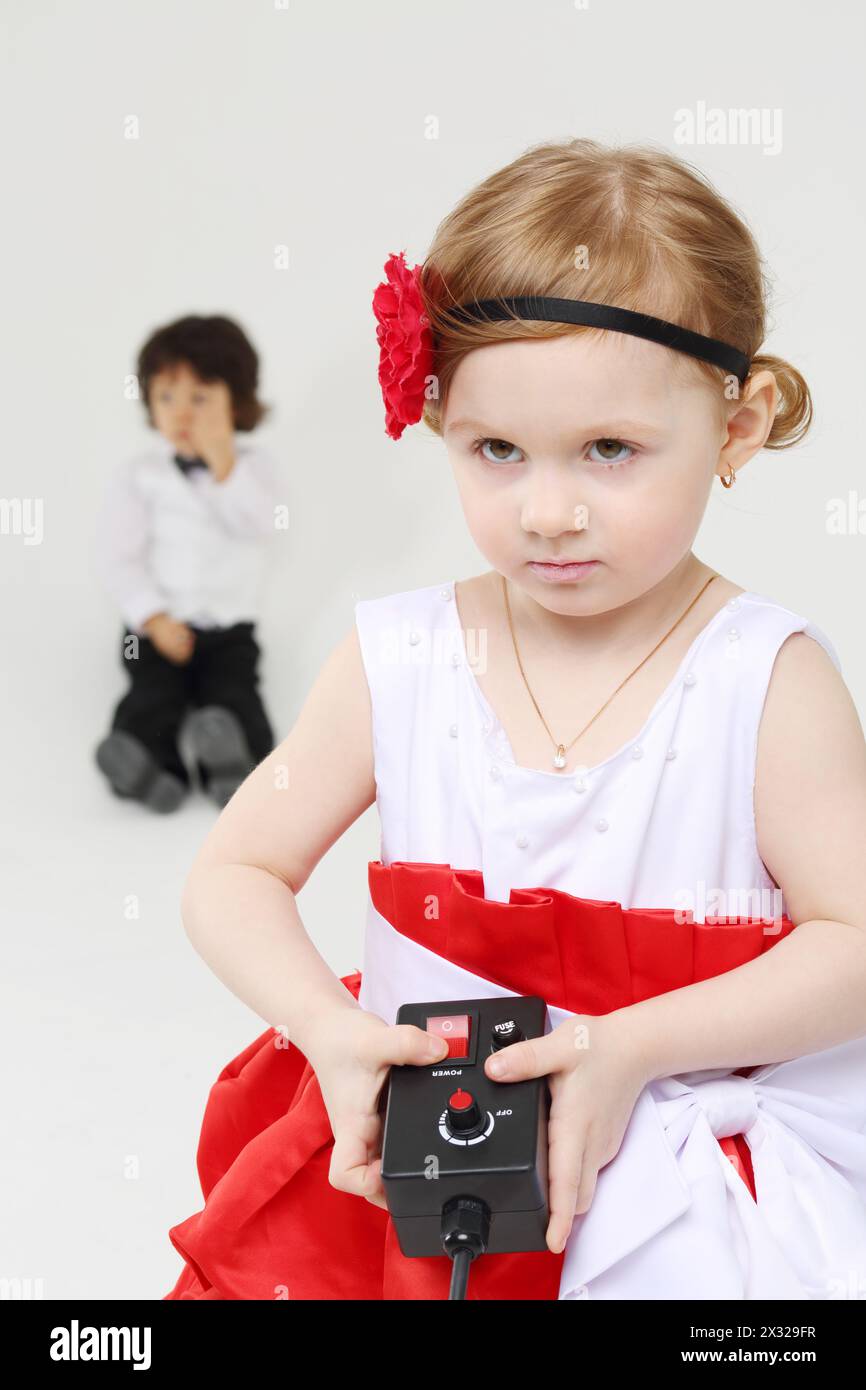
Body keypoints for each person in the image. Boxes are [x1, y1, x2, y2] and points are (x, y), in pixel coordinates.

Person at [163, 140, 866, 1300]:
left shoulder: (762, 681)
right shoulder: (402, 657)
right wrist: (328, 1031)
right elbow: (233, 869)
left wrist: (631, 1042)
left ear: (736, 427)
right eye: (495, 450)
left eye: (608, 451)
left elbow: (852, 941)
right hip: (424, 1170)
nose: (547, 510)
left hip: (667, 1192)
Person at [93, 315, 280, 811]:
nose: (182, 413)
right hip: (155, 626)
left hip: (228, 627)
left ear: (235, 404)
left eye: (201, 399)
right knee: (150, 693)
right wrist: (152, 618)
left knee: (236, 690)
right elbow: (117, 559)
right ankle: (147, 763)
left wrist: (224, 464)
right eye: (167, 397)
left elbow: (263, 525)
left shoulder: (255, 471)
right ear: (149, 403)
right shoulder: (139, 477)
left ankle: (233, 755)